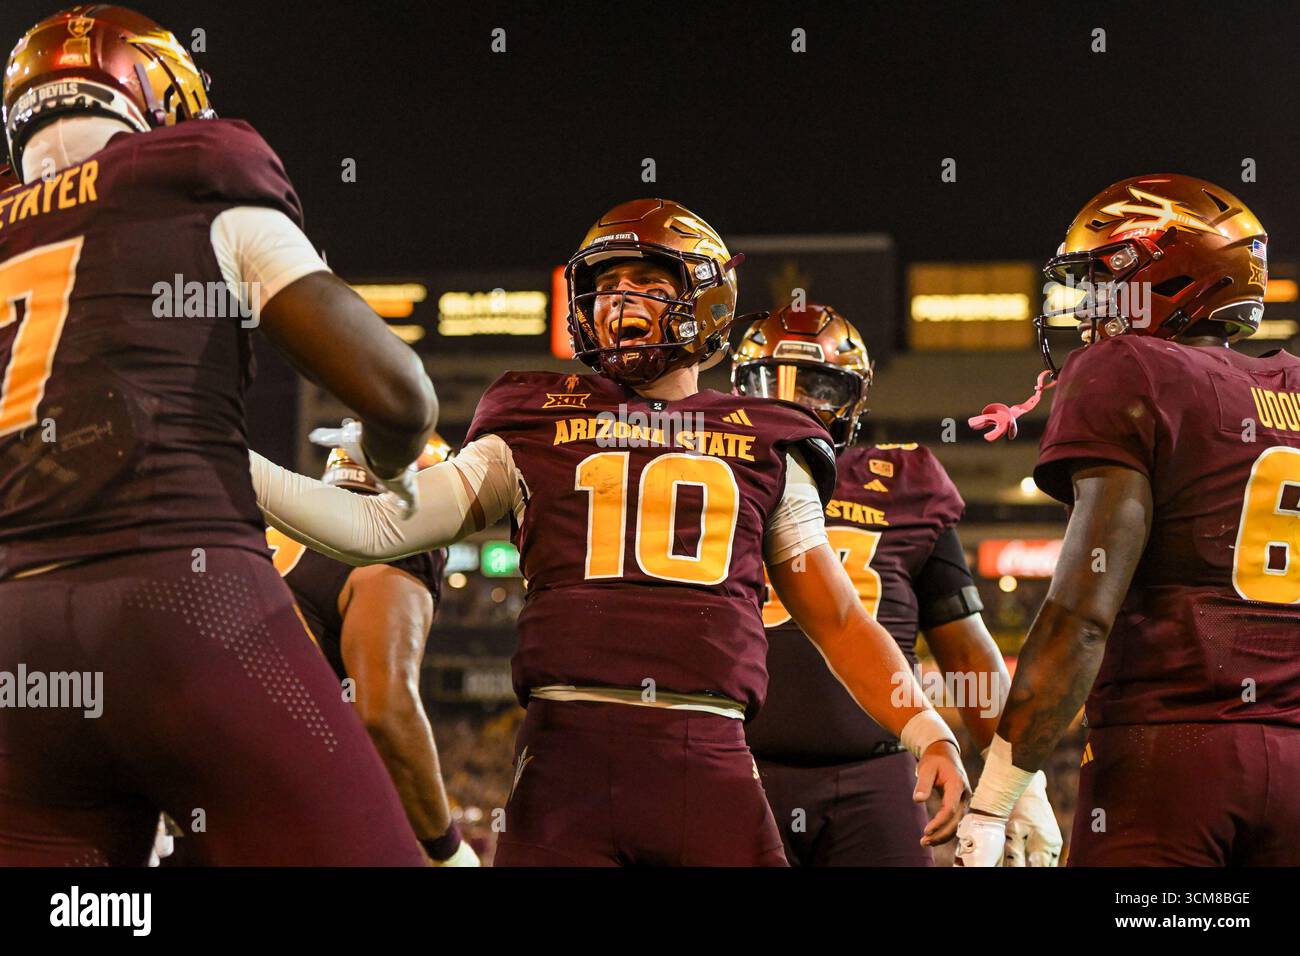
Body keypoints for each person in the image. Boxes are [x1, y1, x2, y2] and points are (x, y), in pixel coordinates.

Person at [252, 197, 970, 866]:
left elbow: (839, 618)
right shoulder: (533, 415)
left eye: (648, 281)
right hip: (567, 753)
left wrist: (926, 728)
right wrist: (222, 456)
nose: (622, 298)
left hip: (709, 752)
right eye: (609, 282)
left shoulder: (770, 439)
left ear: (705, 298)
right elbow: (376, 527)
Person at [0, 5, 435, 865]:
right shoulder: (194, 176)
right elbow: (399, 394)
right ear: (162, 99)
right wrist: (390, 471)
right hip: (184, 598)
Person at [958, 174, 1300, 866]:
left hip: (1173, 757)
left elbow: (1083, 612)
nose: (1088, 306)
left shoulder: (1130, 368)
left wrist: (997, 795)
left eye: (1103, 280)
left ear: (1166, 277)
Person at [734, 303, 1061, 866]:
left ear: (853, 399)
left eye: (816, 385)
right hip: (741, 765)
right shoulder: (714, 473)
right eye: (770, 382)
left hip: (879, 772)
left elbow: (965, 648)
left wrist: (1019, 779)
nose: (791, 402)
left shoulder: (903, 483)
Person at [266, 437, 479, 865]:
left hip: (194, 777)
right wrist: (448, 849)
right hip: (277, 802)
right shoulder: (394, 536)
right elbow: (385, 710)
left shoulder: (275, 528)